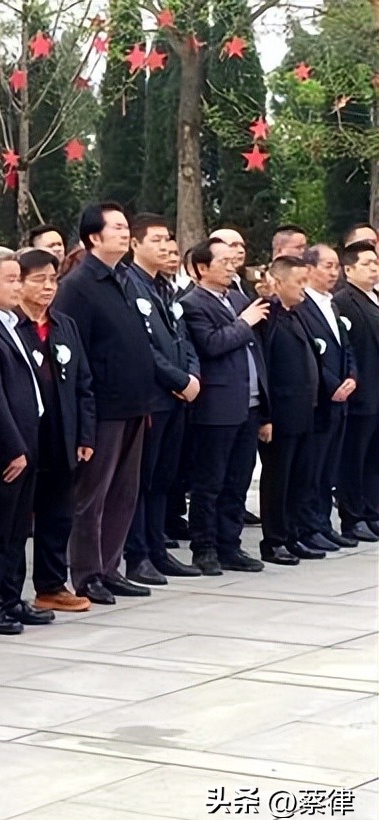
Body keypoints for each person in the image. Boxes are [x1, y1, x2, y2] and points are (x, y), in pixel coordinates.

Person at [54, 203, 155, 605]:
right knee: (91, 495)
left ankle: (110, 567)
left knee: (124, 492)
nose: (124, 233)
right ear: (94, 237)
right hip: (102, 405)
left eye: (126, 227)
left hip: (134, 402)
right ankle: (87, 573)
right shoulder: (79, 286)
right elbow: (73, 352)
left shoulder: (125, 279)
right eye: (116, 228)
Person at [0, 248, 52, 634]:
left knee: (18, 530)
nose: (19, 287)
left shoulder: (13, 322)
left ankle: (11, 597)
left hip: (28, 437)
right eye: (11, 280)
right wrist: (12, 446)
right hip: (4, 447)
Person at [181, 239, 271, 575]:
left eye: (233, 260)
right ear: (202, 268)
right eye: (223, 261)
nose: (232, 265)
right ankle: (204, 548)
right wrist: (244, 321)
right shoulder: (193, 303)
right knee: (210, 482)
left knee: (238, 479)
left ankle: (229, 545)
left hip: (249, 402)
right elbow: (211, 345)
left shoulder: (237, 297)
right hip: (216, 405)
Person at [121, 216, 203, 586]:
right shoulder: (127, 284)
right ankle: (138, 554)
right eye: (155, 239)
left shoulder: (165, 287)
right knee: (142, 479)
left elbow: (182, 337)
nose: (164, 246)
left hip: (178, 397)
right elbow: (143, 346)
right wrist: (176, 379)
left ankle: (158, 548)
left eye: (167, 239)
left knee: (163, 479)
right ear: (135, 244)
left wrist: (192, 377)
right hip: (152, 396)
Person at [14, 249, 94, 612]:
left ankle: (51, 584)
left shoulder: (64, 325)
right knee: (16, 520)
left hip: (61, 435)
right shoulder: (10, 326)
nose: (48, 287)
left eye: (52, 279)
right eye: (39, 280)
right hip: (23, 435)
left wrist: (85, 435)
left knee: (58, 514)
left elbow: (84, 385)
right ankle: (8, 593)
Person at [256, 257, 322, 564]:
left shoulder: (297, 315)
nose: (304, 290)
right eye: (299, 283)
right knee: (277, 480)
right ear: (278, 283)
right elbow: (264, 368)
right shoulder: (267, 317)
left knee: (300, 477)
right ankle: (275, 539)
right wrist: (265, 415)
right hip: (281, 412)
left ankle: (294, 534)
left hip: (304, 410)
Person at [295, 245, 357, 551]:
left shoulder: (332, 305)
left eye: (336, 267)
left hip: (341, 396)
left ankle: (323, 522)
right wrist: (332, 384)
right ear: (309, 268)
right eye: (327, 266)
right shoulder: (302, 304)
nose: (334, 272)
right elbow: (312, 355)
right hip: (319, 398)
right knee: (313, 466)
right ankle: (308, 525)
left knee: (328, 467)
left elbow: (346, 347)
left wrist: (351, 377)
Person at [333, 242, 379, 542]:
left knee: (374, 458)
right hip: (362, 392)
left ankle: (372, 510)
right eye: (367, 263)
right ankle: (353, 516)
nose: (374, 268)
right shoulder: (345, 301)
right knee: (354, 457)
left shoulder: (375, 298)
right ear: (348, 269)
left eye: (376, 262)